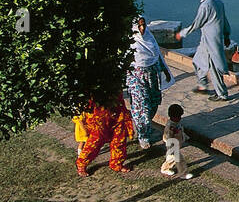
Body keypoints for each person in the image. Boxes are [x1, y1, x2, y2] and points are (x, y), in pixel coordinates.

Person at [176, 0, 232, 101]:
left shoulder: (205, 6)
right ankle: (202, 85)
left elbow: (197, 24)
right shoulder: (218, 2)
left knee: (214, 67)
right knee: (197, 61)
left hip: (211, 41)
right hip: (206, 40)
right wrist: (227, 35)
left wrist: (182, 33)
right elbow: (224, 20)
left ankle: (222, 94)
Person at [126, 16, 173, 149]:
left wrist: (165, 71)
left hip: (152, 76)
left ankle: (145, 127)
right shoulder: (130, 41)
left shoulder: (149, 37)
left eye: (144, 25)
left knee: (153, 103)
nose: (142, 28)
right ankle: (143, 135)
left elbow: (157, 55)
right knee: (142, 106)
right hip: (136, 78)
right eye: (139, 25)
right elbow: (123, 61)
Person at [76, 91, 134, 175]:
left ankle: (117, 163)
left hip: (116, 105)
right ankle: (81, 163)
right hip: (98, 110)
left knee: (119, 137)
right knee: (96, 139)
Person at [160, 104, 192, 179]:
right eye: (178, 117)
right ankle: (183, 173)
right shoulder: (170, 127)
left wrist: (185, 137)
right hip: (172, 146)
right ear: (172, 117)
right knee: (180, 160)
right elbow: (168, 137)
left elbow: (181, 131)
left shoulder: (177, 123)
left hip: (177, 144)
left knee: (171, 160)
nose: (180, 118)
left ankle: (165, 169)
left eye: (180, 116)